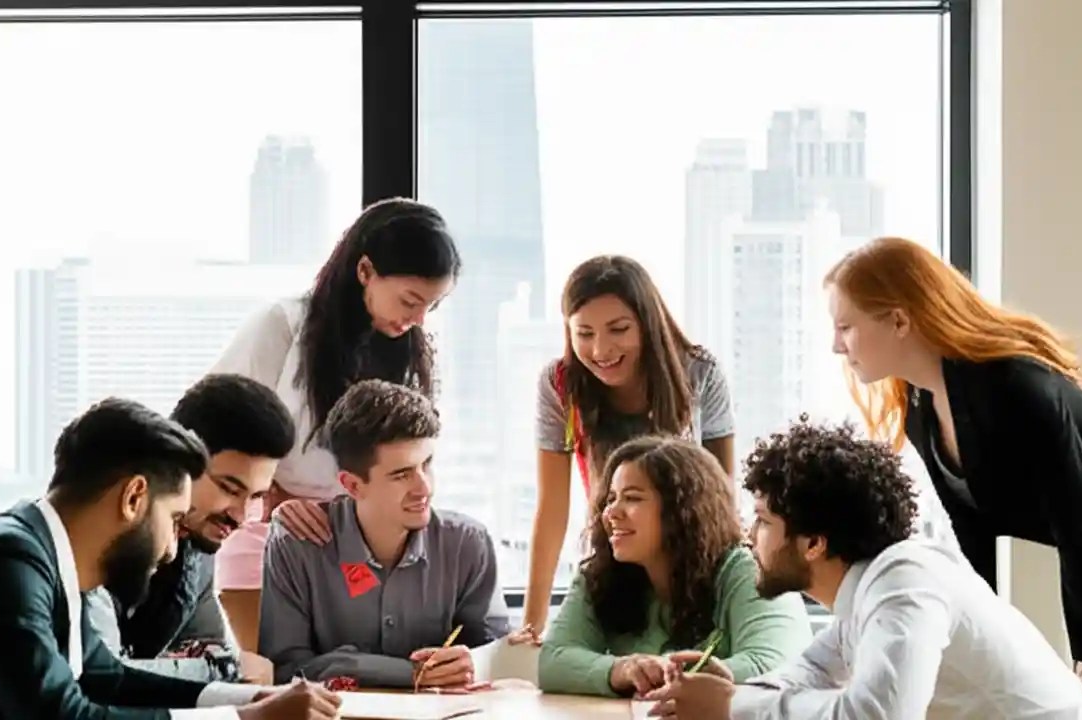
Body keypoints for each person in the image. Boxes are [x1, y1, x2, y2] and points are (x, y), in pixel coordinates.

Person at [0, 397, 339, 719]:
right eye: (172, 519)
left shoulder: (44, 557)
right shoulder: (1, 562)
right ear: (134, 498)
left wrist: (251, 701)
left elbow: (105, 677)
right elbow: (62, 716)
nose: (169, 548)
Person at [652, 418, 1082, 720]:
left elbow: (878, 714)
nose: (749, 534)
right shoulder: (868, 590)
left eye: (764, 520)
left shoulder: (904, 582)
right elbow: (813, 673)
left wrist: (733, 707)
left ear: (814, 544)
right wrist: (733, 690)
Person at [824, 236, 1082, 682]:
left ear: (899, 321)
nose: (836, 346)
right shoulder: (920, 411)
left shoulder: (1018, 389)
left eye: (845, 327)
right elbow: (973, 543)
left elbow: (1080, 529)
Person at [209, 198, 461, 651]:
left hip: (360, 534)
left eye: (432, 306)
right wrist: (275, 497)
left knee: (354, 679)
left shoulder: (413, 353)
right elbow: (213, 428)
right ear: (365, 271)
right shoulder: (283, 326)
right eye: (410, 300)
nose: (419, 319)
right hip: (267, 525)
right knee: (277, 679)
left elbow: (416, 456)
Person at [519, 255, 736, 641]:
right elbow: (552, 507)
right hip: (613, 556)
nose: (601, 349)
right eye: (583, 333)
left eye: (618, 329)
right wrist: (532, 626)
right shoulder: (560, 385)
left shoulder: (698, 373)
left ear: (647, 325)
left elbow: (724, 493)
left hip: (690, 559)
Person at [258, 379, 509, 688]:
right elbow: (285, 671)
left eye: (427, 464)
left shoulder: (468, 543)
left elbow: (493, 652)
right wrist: (409, 673)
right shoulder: (296, 544)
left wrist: (474, 663)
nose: (424, 488)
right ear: (352, 485)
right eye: (401, 475)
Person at [538, 436, 810, 698]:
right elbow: (552, 660)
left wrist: (665, 672)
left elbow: (774, 663)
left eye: (632, 498)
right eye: (610, 499)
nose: (611, 513)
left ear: (682, 511)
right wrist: (620, 670)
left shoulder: (748, 570)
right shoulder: (601, 576)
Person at [85, 374, 295, 685]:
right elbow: (103, 675)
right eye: (229, 488)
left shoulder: (198, 550)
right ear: (180, 456)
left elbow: (222, 656)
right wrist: (225, 668)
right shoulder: (98, 532)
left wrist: (231, 668)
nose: (241, 516)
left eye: (256, 497)